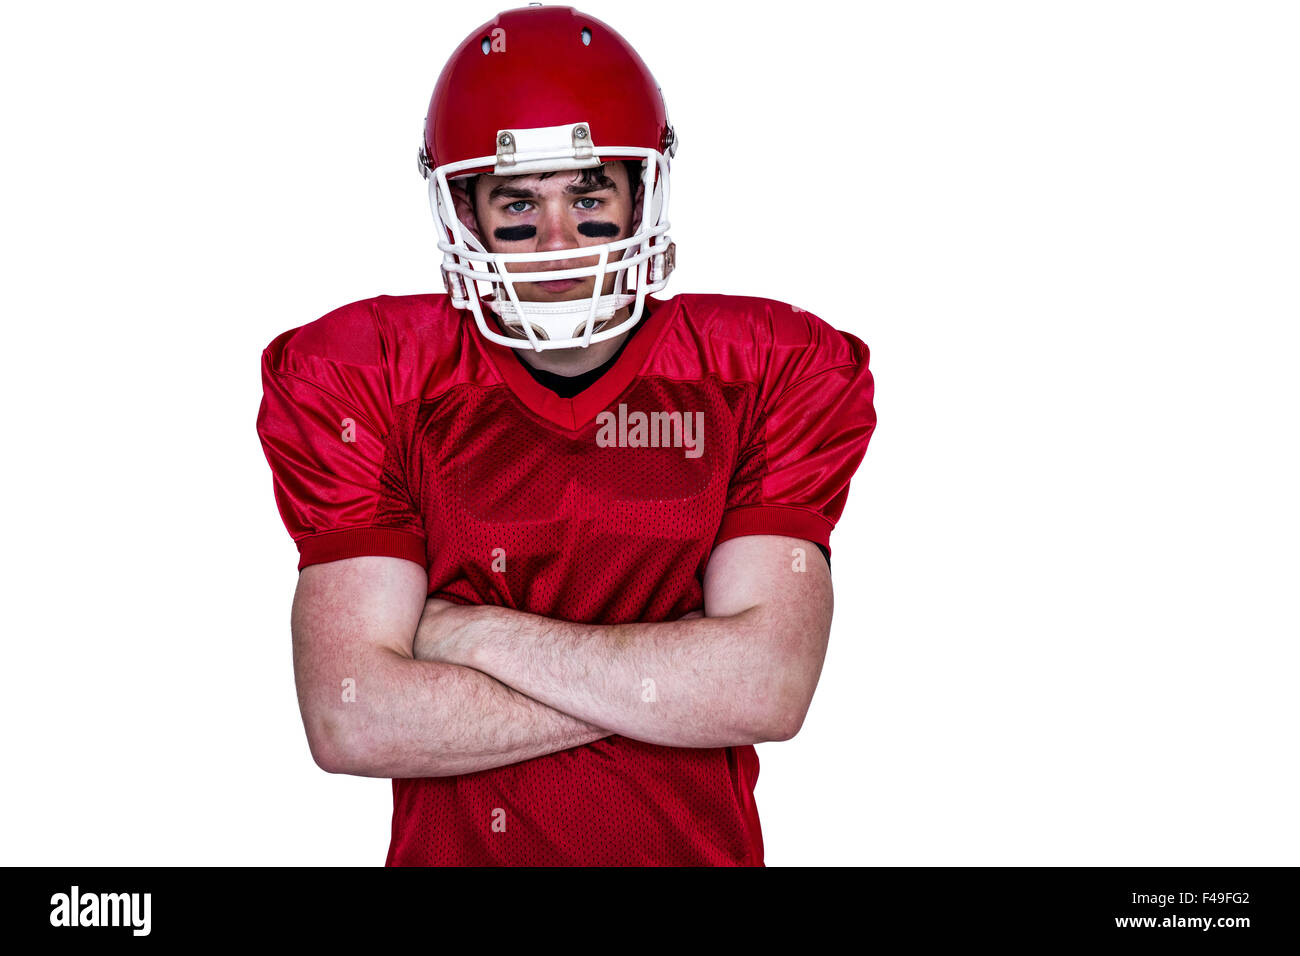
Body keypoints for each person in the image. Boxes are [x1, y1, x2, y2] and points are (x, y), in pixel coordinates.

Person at [256, 4, 877, 866]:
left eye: (588, 196)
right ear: (464, 213)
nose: (556, 242)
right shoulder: (373, 376)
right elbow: (351, 718)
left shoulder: (765, 369)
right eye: (519, 203)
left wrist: (470, 635)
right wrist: (678, 686)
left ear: (639, 192)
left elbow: (766, 690)